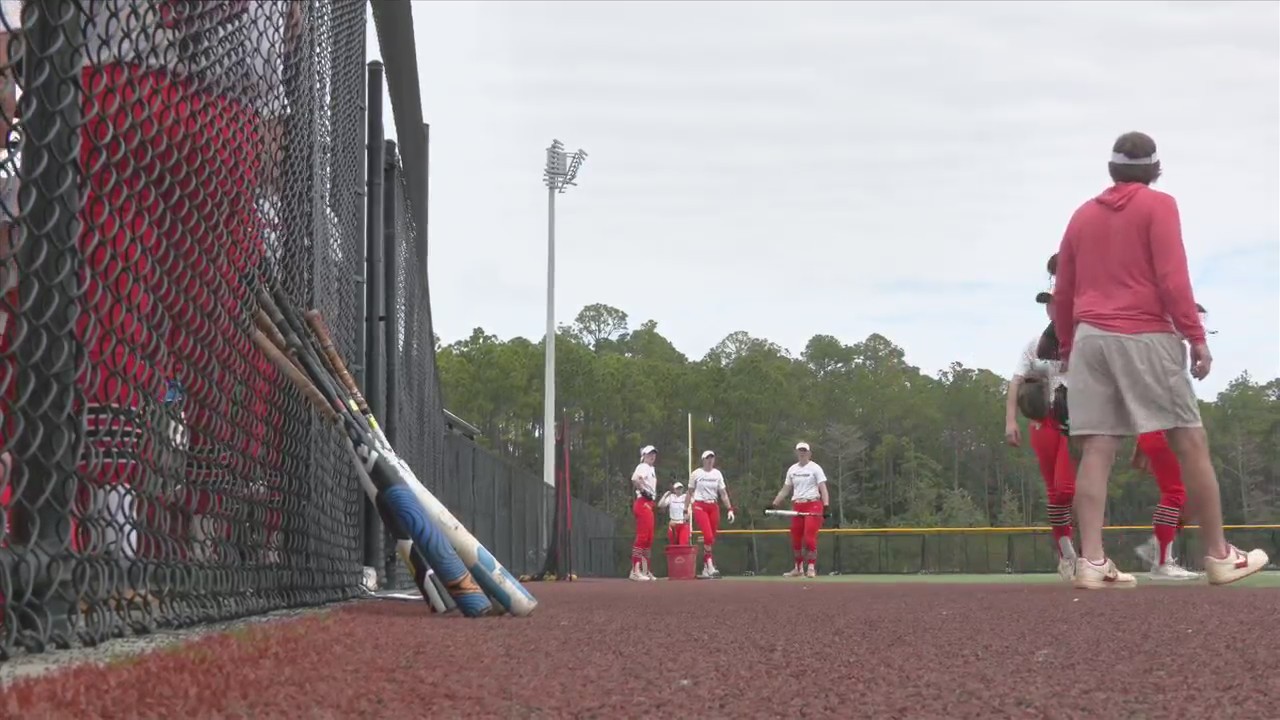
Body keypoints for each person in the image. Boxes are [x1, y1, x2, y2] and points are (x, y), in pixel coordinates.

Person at [1052, 130, 1267, 589]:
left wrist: (1071, 347)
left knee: (1097, 447)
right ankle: (1219, 554)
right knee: (1190, 440)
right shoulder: (1160, 206)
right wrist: (1196, 337)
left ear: (1112, 169)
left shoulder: (1081, 216)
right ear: (1154, 169)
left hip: (1090, 337)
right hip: (1144, 333)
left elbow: (1064, 290)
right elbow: (1173, 277)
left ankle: (1090, 562)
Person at [1005, 284, 1077, 581]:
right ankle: (1067, 553)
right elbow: (1016, 383)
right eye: (1048, 304)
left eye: (1056, 303)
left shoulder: (1083, 341)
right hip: (1043, 421)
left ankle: (1085, 551)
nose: (1051, 308)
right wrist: (1010, 421)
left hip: (1075, 420)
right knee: (1054, 491)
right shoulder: (1035, 344)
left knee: (1066, 489)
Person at [770, 442, 829, 578]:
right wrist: (774, 504)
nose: (802, 453)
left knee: (809, 538)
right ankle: (798, 568)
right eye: (799, 451)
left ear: (809, 453)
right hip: (798, 505)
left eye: (804, 451)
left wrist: (826, 505)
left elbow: (823, 488)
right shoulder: (792, 470)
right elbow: (786, 489)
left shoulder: (815, 468)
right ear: (796, 453)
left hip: (813, 504)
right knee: (796, 538)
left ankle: (811, 567)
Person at [688, 449, 735, 579]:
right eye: (707, 458)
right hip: (699, 505)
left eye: (712, 458)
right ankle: (709, 564)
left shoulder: (717, 474)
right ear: (703, 460)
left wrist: (730, 509)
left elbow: (723, 493)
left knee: (711, 538)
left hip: (713, 506)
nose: (710, 461)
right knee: (708, 536)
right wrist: (686, 509)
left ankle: (705, 568)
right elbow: (690, 491)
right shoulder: (696, 473)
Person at [629, 444, 659, 581]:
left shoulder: (651, 469)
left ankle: (645, 570)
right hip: (642, 503)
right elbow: (635, 479)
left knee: (649, 538)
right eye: (649, 454)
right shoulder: (643, 467)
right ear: (644, 456)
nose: (652, 456)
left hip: (648, 504)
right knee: (642, 537)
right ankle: (635, 570)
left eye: (654, 454)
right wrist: (643, 490)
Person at [658, 481, 690, 546]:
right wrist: (665, 496)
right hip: (673, 523)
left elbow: (693, 503)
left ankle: (682, 555)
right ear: (674, 490)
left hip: (683, 522)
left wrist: (690, 494)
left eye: (680, 488)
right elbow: (660, 505)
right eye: (677, 489)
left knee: (683, 544)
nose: (679, 490)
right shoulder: (671, 497)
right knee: (673, 544)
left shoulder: (685, 496)